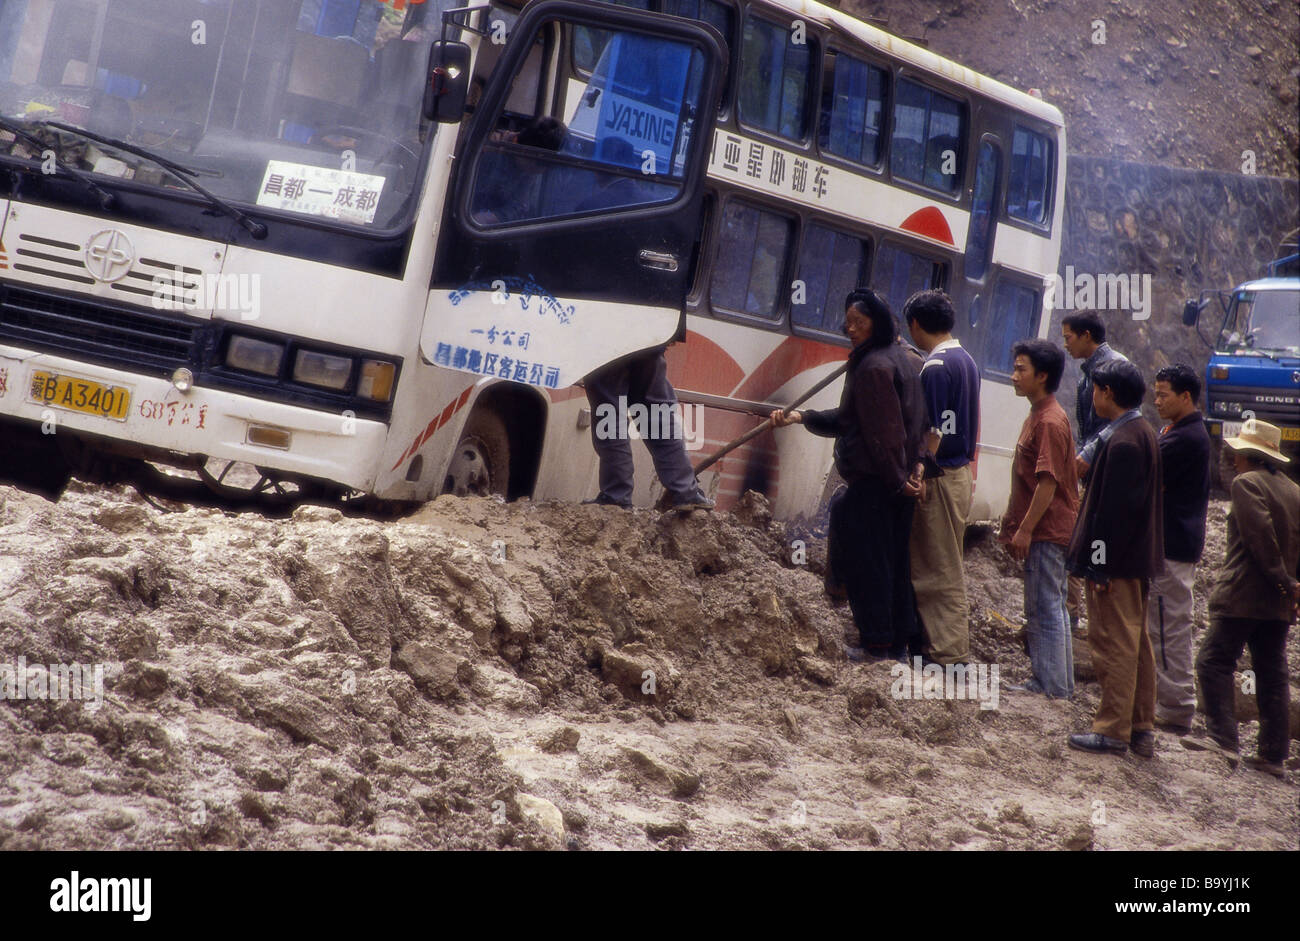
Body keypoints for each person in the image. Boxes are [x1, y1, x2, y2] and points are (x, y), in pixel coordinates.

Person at [770, 289, 928, 661]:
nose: (851, 328)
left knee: (868, 563)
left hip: (878, 483)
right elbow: (894, 423)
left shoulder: (873, 368)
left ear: (878, 324)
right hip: (899, 481)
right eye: (849, 321)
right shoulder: (901, 359)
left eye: (860, 322)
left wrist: (895, 480)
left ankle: (875, 643)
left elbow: (882, 435)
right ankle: (900, 645)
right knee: (895, 564)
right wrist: (802, 417)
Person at [1186, 419, 1299, 778]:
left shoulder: (1246, 484)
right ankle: (1272, 756)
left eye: (1235, 453)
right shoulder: (1295, 491)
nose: (1231, 459)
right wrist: (1292, 587)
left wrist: (1282, 580)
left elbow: (1260, 539)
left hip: (1243, 593)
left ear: (1245, 455)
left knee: (1213, 661)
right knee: (1271, 672)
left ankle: (1223, 741)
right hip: (1277, 602)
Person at [1065, 359, 1162, 756]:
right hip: (1134, 561)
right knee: (1136, 643)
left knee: (1114, 644)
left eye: (1096, 389)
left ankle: (1112, 730)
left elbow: (1113, 515)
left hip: (1116, 565)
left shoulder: (1123, 442)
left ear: (1107, 393)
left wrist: (1099, 565)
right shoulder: (1142, 432)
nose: (1092, 395)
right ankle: (1140, 727)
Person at [904, 290, 980, 665]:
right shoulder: (965, 359)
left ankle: (948, 654)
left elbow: (937, 428)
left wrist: (921, 466)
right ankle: (944, 648)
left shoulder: (934, 367)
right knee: (945, 559)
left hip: (942, 475)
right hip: (961, 472)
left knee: (938, 565)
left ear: (916, 325)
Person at [1001, 340, 1079, 698]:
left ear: (1042, 376)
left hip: (1047, 531)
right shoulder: (1041, 413)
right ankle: (1055, 683)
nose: (1014, 376)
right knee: (1051, 605)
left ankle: (1051, 686)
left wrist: (1026, 529)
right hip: (1049, 529)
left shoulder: (1048, 420)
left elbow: (1048, 483)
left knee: (1045, 606)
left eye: (1021, 370)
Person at [1146, 363, 1212, 737]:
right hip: (1172, 544)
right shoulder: (1176, 430)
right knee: (1163, 623)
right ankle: (1166, 701)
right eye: (1155, 394)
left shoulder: (1186, 438)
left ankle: (1175, 707)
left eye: (1163, 394)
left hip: (1173, 547)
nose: (1156, 401)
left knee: (1168, 626)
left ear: (1185, 397)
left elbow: (1148, 470)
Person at [1061, 311, 1128, 631]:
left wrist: (1087, 453)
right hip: (1092, 466)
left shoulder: (1113, 367)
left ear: (1087, 335)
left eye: (1068, 337)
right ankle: (1073, 616)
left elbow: (1121, 420)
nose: (1065, 345)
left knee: (1095, 539)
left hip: (1106, 468)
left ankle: (1096, 621)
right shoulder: (1088, 371)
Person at [583, 348, 713, 511]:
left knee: (609, 413)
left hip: (608, 338)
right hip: (649, 337)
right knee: (656, 412)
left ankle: (616, 496)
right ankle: (686, 491)